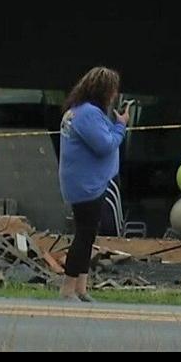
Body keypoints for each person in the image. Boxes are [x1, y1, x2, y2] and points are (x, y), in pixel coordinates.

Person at [57, 67, 130, 302]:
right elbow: (105, 145)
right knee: (84, 234)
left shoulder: (77, 111)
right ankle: (68, 288)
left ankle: (81, 287)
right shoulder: (88, 114)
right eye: (113, 90)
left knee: (88, 234)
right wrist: (122, 126)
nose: (115, 95)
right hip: (87, 184)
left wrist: (114, 122)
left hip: (82, 181)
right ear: (103, 90)